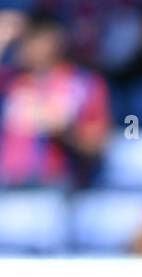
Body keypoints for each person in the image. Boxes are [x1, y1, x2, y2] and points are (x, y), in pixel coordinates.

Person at [0, 10, 110, 187]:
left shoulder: (84, 83)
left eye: (33, 36)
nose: (23, 44)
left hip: (57, 189)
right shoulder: (8, 81)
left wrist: (63, 130)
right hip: (7, 188)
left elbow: (98, 144)